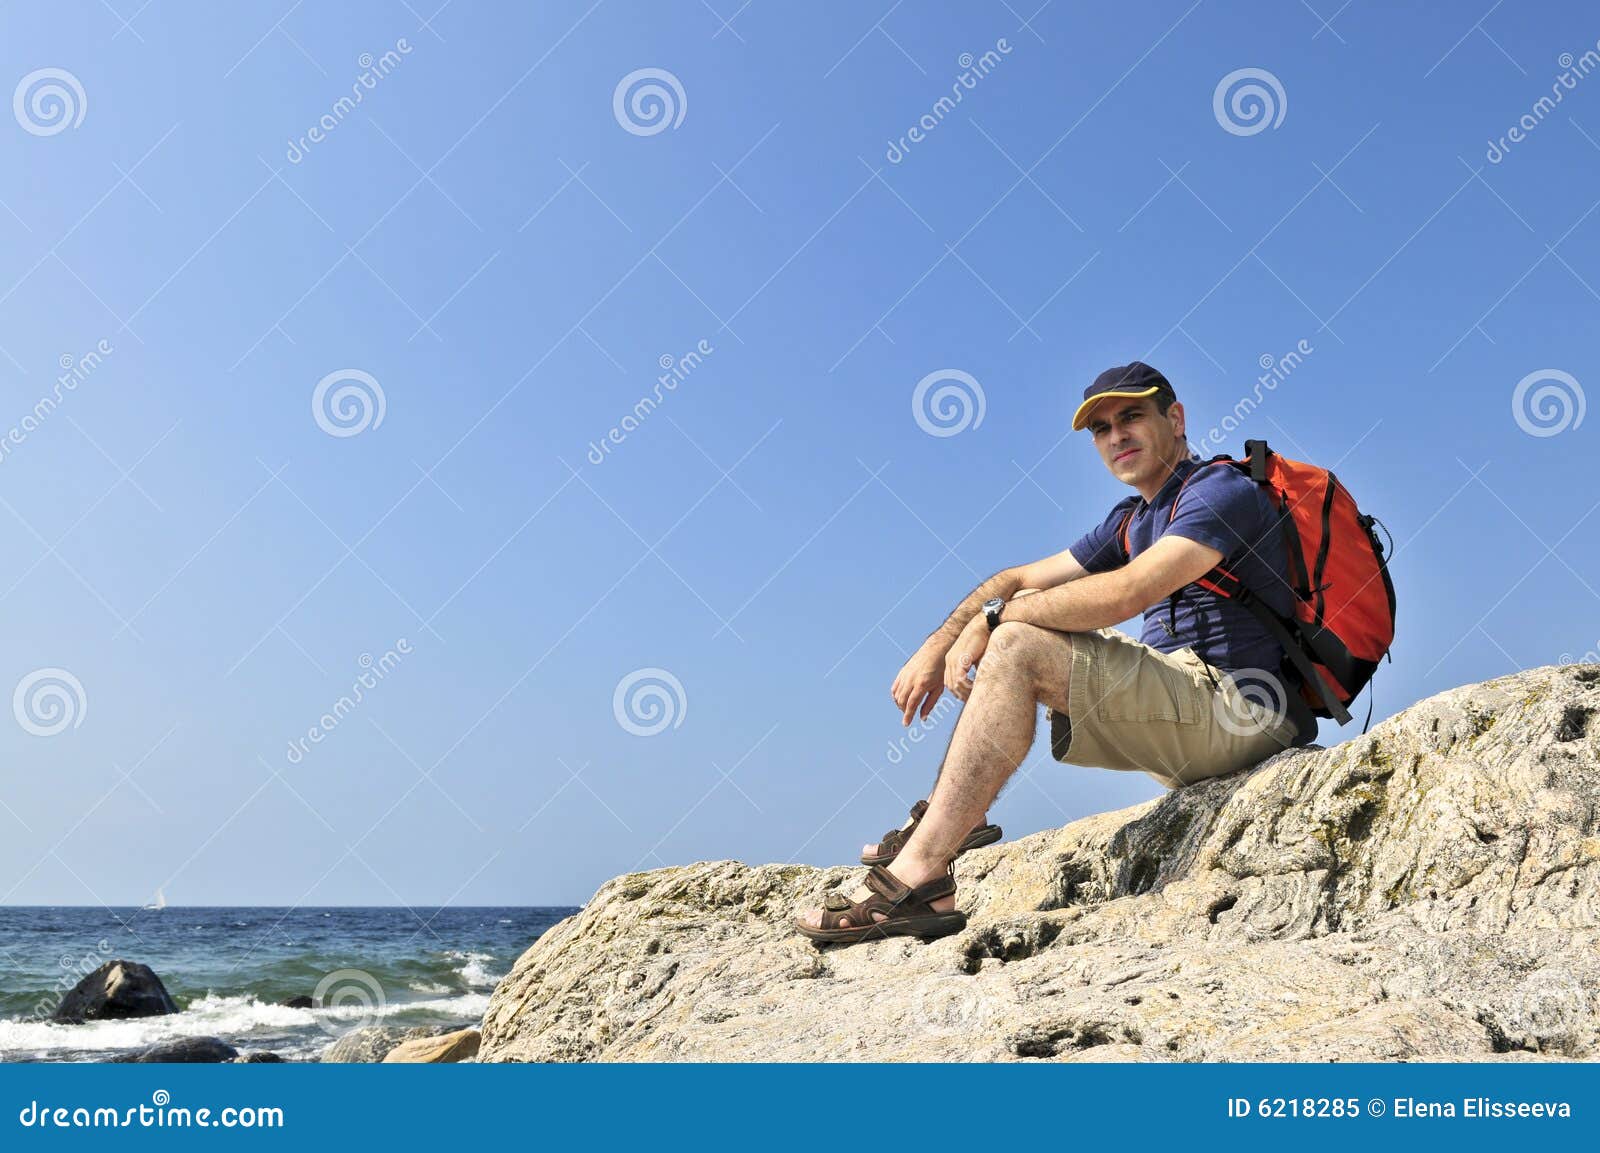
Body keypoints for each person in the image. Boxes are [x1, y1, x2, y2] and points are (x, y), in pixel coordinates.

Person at [794, 361, 1318, 945]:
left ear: (1175, 418)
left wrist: (993, 623)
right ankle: (951, 823)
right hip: (1190, 710)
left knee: (1018, 644)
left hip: (1242, 710)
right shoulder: (1131, 521)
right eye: (1100, 428)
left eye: (1131, 416)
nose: (1116, 435)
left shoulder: (1221, 492)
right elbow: (1020, 578)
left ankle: (920, 874)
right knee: (1021, 630)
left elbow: (1128, 592)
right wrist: (940, 641)